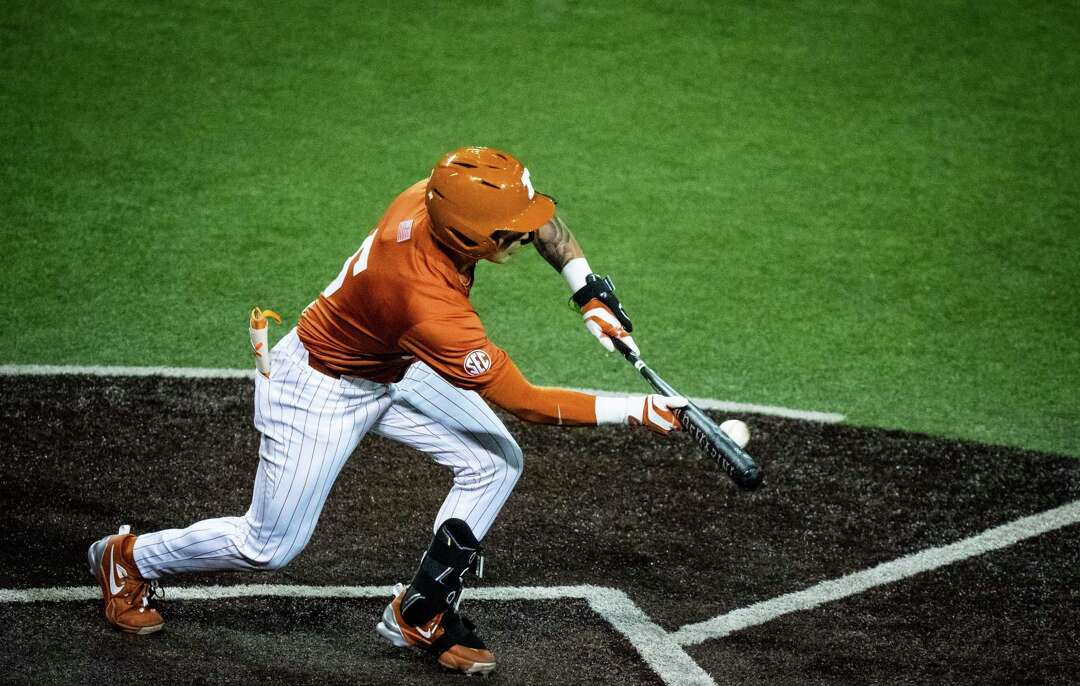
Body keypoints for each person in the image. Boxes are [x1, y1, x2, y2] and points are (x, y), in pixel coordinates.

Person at [86, 146, 686, 674]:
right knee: (269, 545)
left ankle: (421, 610)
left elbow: (541, 217)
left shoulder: (433, 200)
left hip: (390, 363)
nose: (525, 235)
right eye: (510, 231)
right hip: (318, 388)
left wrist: (586, 289)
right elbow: (525, 403)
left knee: (494, 463)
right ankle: (129, 558)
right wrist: (641, 409)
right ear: (473, 236)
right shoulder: (428, 304)